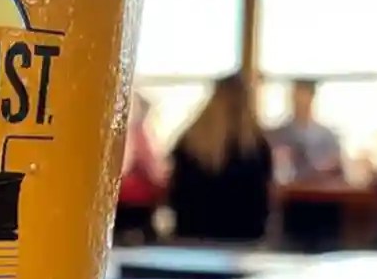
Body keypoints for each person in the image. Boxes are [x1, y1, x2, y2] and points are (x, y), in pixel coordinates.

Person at [167, 75, 273, 243]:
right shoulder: (255, 147)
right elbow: (263, 199)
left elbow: (175, 193)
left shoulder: (190, 141)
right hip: (243, 240)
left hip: (192, 237)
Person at [114, 93, 167, 244]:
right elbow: (157, 175)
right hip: (128, 211)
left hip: (132, 213)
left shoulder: (141, 134)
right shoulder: (135, 135)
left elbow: (156, 174)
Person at [269, 79, 344, 182]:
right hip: (289, 188)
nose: (300, 101)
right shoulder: (279, 134)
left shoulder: (327, 136)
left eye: (303, 96)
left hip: (320, 188)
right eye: (296, 97)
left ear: (311, 98)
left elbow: (337, 166)